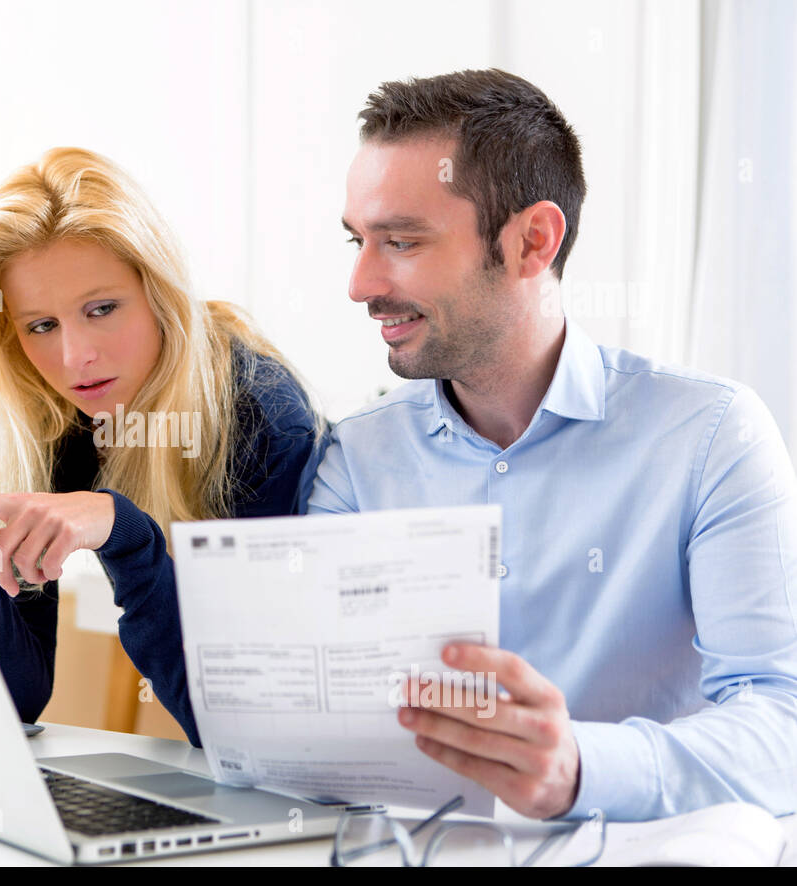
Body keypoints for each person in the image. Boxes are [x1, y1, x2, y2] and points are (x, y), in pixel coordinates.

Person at [311, 68, 797, 821]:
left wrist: (580, 767)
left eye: (401, 241)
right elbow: (318, 714)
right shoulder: (355, 460)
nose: (360, 283)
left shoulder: (711, 438)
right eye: (359, 241)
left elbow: (782, 727)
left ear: (533, 240)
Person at [0, 147, 324, 747]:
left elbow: (240, 728)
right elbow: (20, 697)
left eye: (102, 309)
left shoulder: (262, 419)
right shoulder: (63, 411)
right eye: (41, 326)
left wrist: (124, 533)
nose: (74, 357)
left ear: (158, 292)